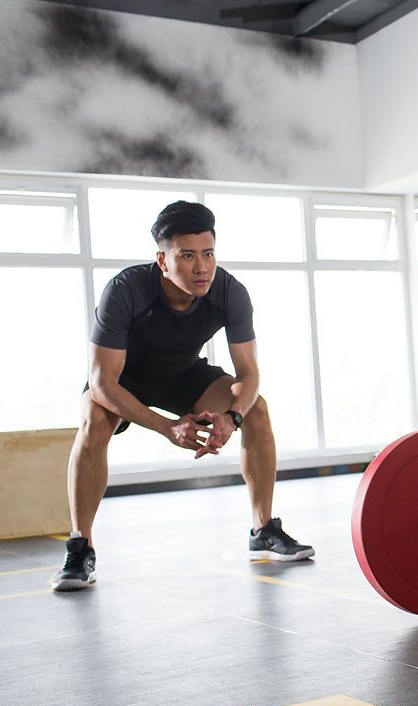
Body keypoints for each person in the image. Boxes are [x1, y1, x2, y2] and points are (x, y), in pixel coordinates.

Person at [53, 201, 314, 592]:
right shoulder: (125, 290)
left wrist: (233, 418)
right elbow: (103, 381)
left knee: (256, 408)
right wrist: (166, 427)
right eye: (187, 256)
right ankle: (80, 548)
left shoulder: (229, 291)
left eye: (208, 254)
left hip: (183, 376)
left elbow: (249, 374)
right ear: (163, 260)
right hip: (127, 379)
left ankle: (262, 529)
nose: (201, 267)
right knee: (93, 413)